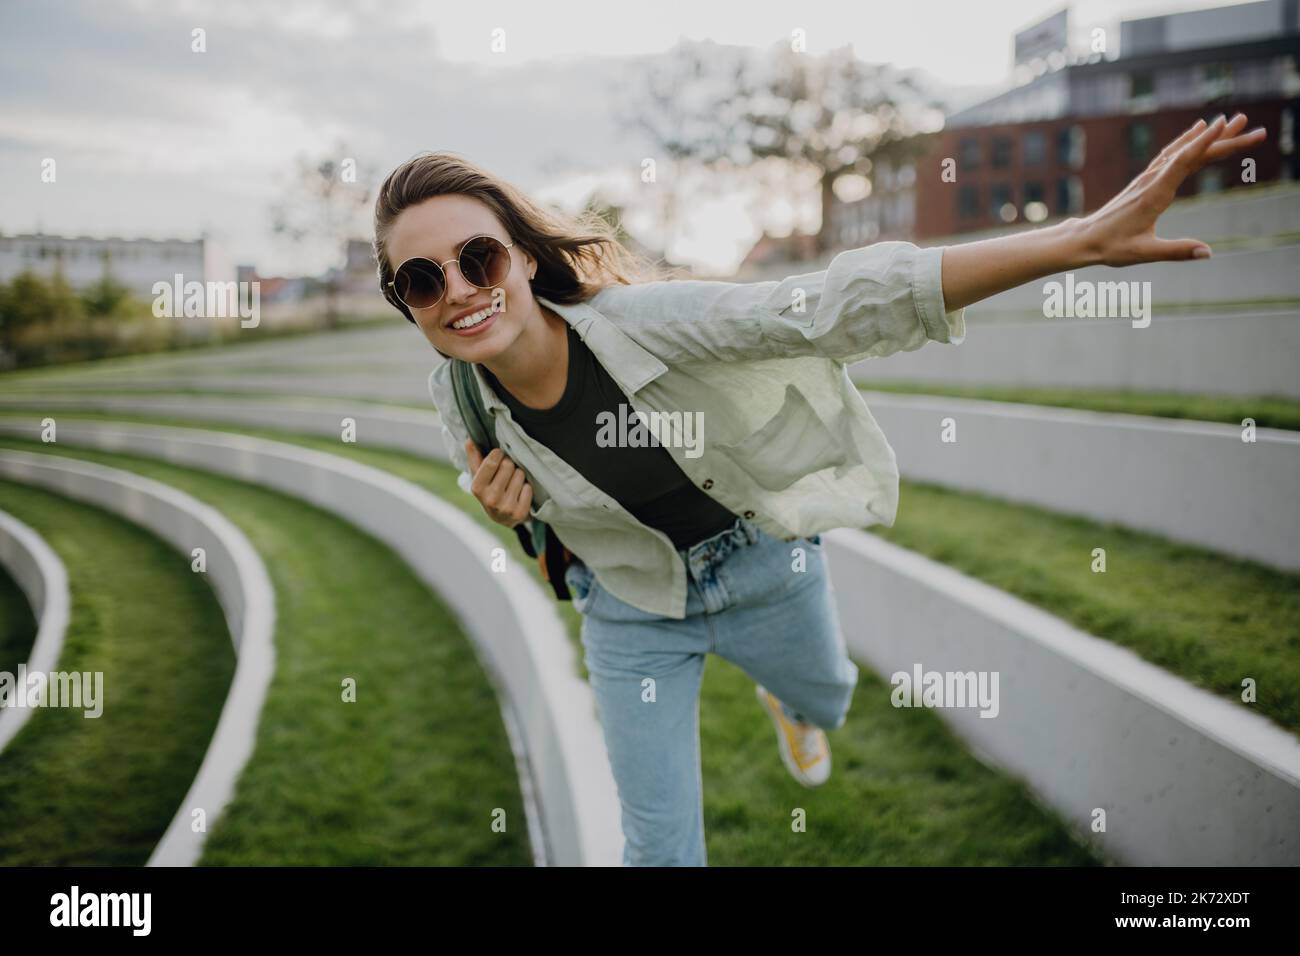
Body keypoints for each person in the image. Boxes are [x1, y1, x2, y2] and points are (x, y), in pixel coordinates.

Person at [372, 114, 1265, 866]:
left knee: (828, 697)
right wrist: (505, 512)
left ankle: (792, 702)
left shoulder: (645, 325)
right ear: (404, 300)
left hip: (763, 565)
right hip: (630, 609)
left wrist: (1076, 241)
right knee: (657, 848)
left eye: (477, 258)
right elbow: (515, 508)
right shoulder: (456, 398)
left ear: (524, 258)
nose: (457, 292)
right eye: (422, 280)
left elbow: (829, 304)